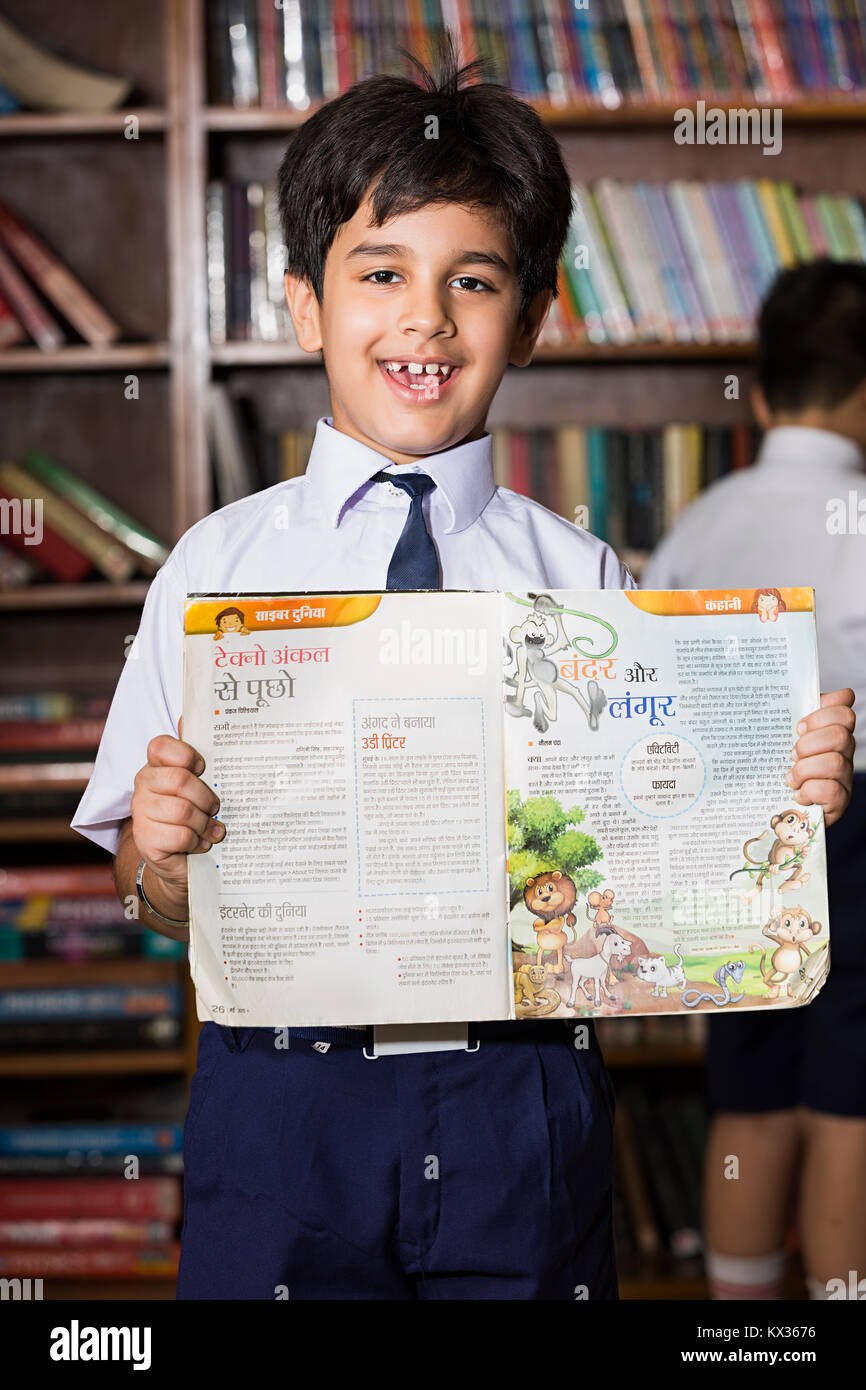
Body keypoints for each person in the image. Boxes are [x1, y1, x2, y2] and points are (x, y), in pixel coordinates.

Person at [71, 41, 856, 1300]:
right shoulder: (212, 568)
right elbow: (150, 896)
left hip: (519, 1103)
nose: (425, 318)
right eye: (380, 272)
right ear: (305, 305)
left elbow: (655, 872)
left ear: (532, 319)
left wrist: (777, 807)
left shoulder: (586, 577)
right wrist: (160, 859)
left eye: (472, 281)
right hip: (285, 1104)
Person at [641, 258, 866, 1301]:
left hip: (726, 832)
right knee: (847, 1104)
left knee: (750, 1090)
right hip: (855, 830)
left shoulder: (703, 520)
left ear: (763, 393)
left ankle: (737, 1322)